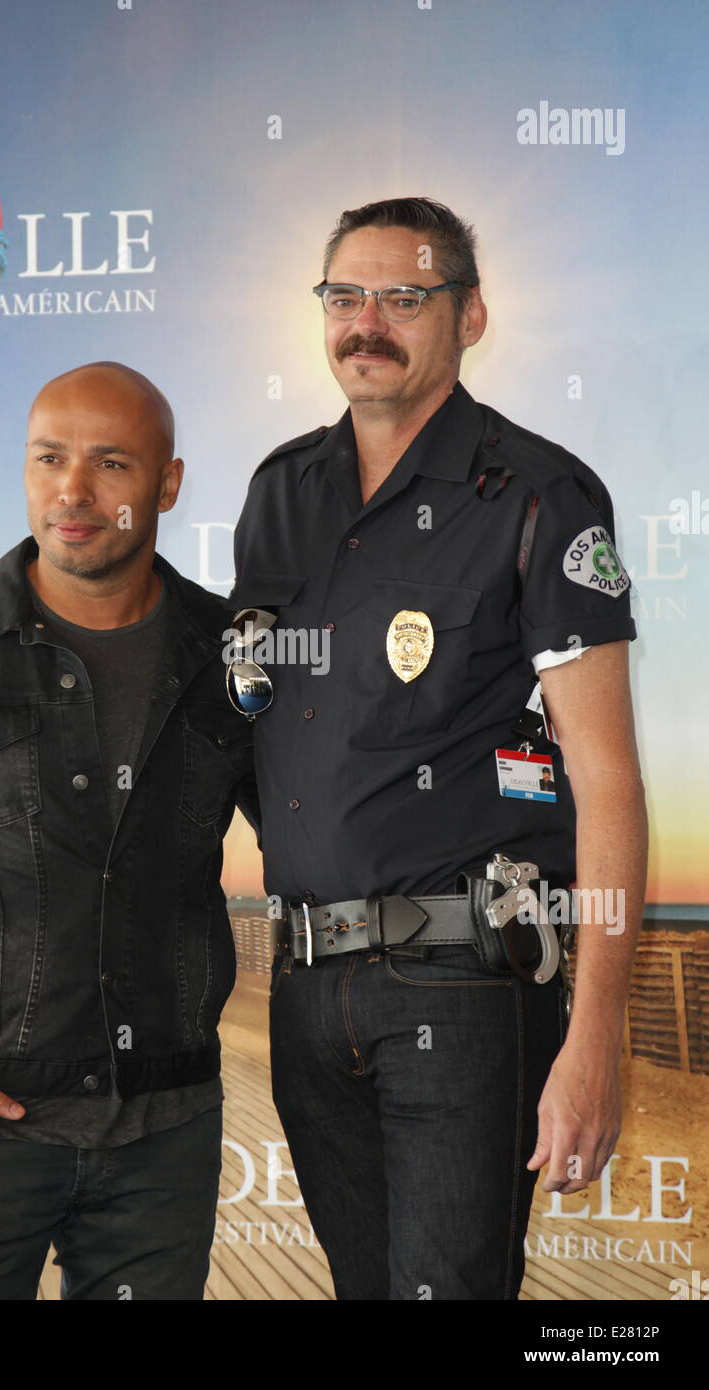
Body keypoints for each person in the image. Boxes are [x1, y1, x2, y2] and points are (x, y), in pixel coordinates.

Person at [229, 197, 647, 1300]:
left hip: (460, 987)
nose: (366, 322)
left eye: (403, 296)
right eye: (343, 296)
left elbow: (605, 777)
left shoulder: (538, 493)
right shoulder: (278, 494)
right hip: (305, 988)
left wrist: (594, 1036)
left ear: (468, 317)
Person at [0, 361, 258, 1300]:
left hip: (167, 1129)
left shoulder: (232, 656)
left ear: (168, 484)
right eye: (48, 458)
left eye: (111, 463)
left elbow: (325, 829)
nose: (72, 490)